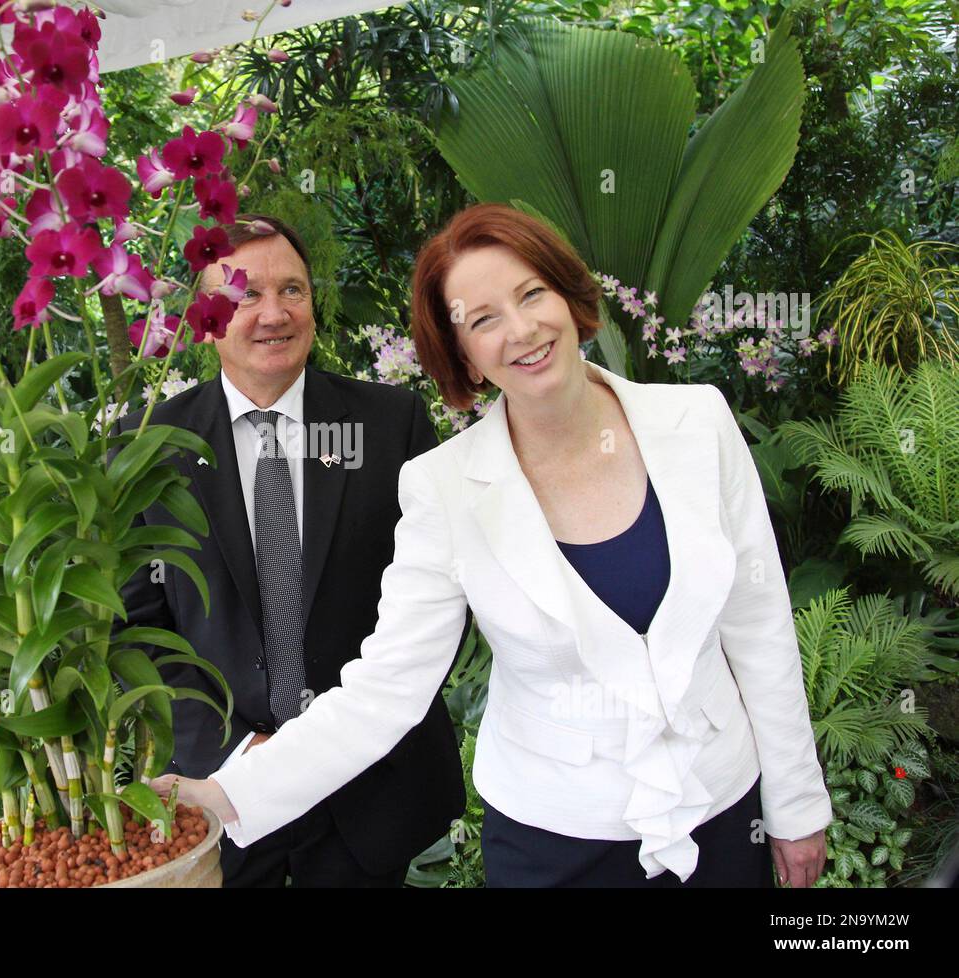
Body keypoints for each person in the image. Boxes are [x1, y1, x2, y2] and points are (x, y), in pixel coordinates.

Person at [153, 203, 832, 887]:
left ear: (568, 295)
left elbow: (760, 623)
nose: (522, 329)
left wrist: (797, 803)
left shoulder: (697, 421)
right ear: (463, 355)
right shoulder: (445, 488)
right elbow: (388, 688)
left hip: (720, 809)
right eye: (482, 320)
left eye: (532, 294)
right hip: (556, 842)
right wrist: (231, 792)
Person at [114, 214, 466, 887]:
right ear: (205, 316)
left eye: (293, 291)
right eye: (245, 294)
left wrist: (331, 746)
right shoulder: (147, 446)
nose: (273, 313)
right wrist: (243, 748)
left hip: (371, 794)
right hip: (221, 783)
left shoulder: (391, 425)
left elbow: (442, 604)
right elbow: (135, 628)